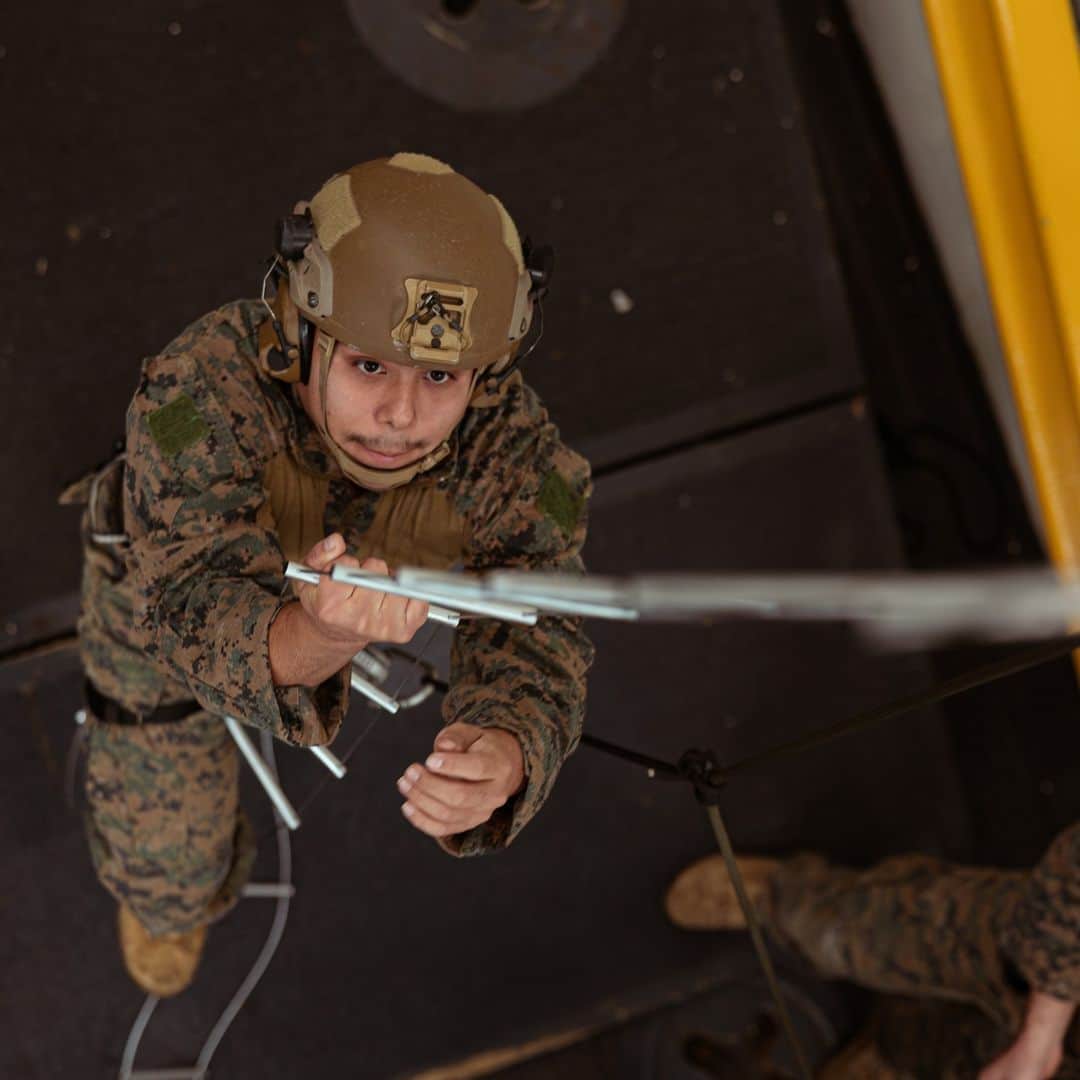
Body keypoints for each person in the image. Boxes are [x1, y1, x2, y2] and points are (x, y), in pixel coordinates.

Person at [64, 154, 594, 997]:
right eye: (369, 365)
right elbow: (184, 610)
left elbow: (544, 612)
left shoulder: (514, 443)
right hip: (171, 591)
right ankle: (169, 895)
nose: (402, 416)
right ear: (302, 330)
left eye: (441, 377)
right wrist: (319, 633)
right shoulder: (197, 390)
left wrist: (509, 747)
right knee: (166, 882)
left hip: (352, 600)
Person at [665, 824, 1080, 1077]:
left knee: (931, 1055)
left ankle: (885, 1053)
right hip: (1052, 943)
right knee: (876, 927)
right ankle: (784, 901)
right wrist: (1040, 1036)